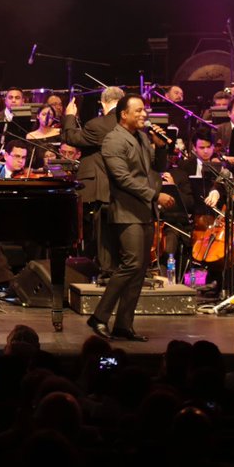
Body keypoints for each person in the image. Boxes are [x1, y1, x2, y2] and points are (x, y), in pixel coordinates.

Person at [87, 94, 175, 342]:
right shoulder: (113, 140)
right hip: (127, 211)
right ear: (123, 114)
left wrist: (161, 147)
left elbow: (155, 169)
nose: (143, 115)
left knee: (140, 270)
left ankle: (124, 324)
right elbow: (122, 178)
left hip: (144, 210)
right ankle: (99, 317)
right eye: (138, 111)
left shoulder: (143, 137)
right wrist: (155, 196)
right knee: (131, 265)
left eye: (144, 111)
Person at [63, 86, 124, 272]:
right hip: (125, 187)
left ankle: (106, 273)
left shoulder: (99, 124)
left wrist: (70, 116)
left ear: (104, 103)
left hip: (103, 188)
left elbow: (69, 137)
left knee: (103, 235)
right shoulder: (129, 123)